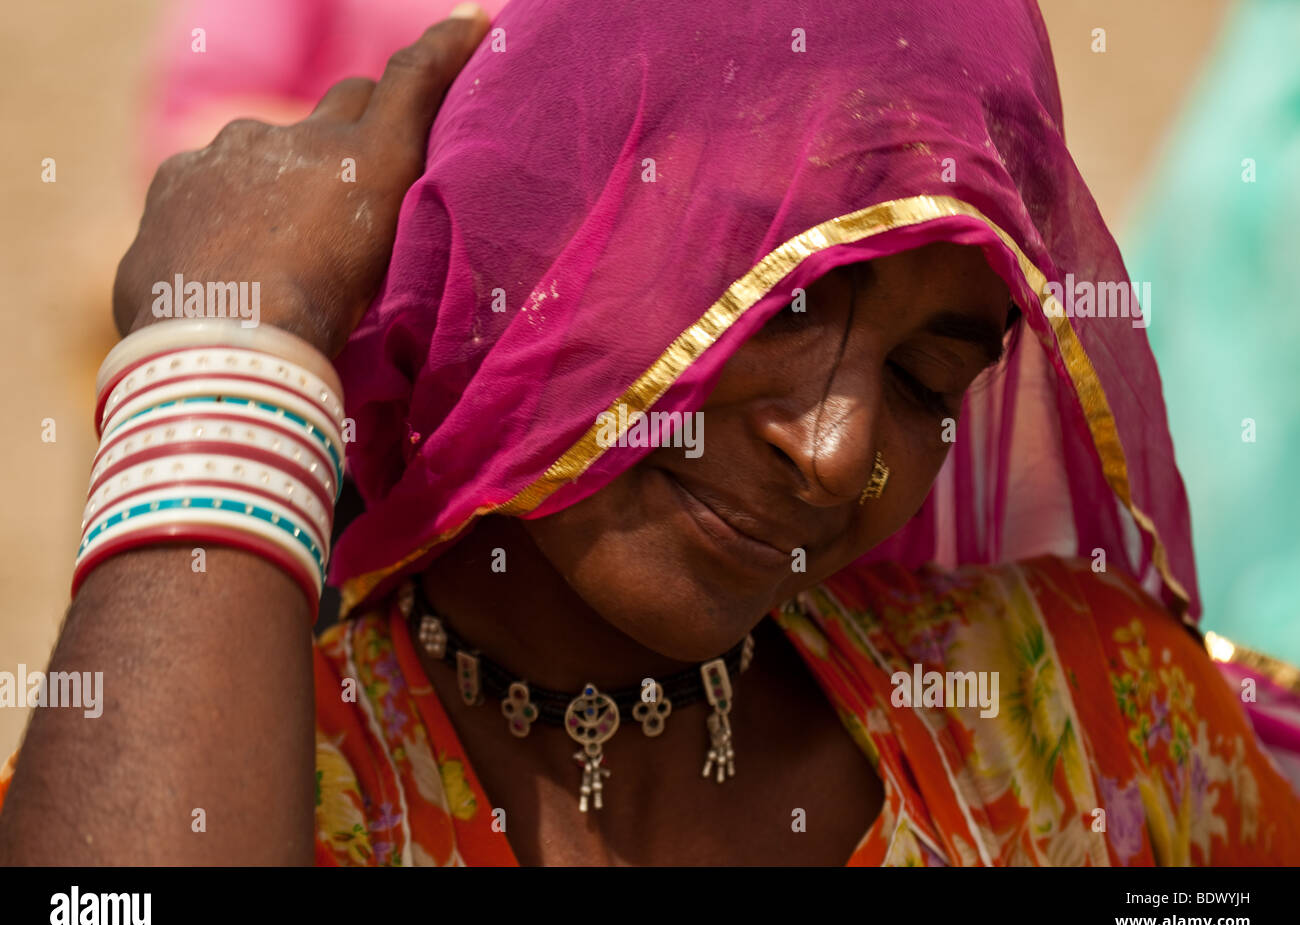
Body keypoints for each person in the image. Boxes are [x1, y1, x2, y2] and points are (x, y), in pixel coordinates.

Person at [1, 0, 1297, 866]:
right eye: (774, 301)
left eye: (924, 381)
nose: (837, 451)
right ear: (548, 232)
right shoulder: (260, 773)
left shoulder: (1075, 724)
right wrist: (236, 338)